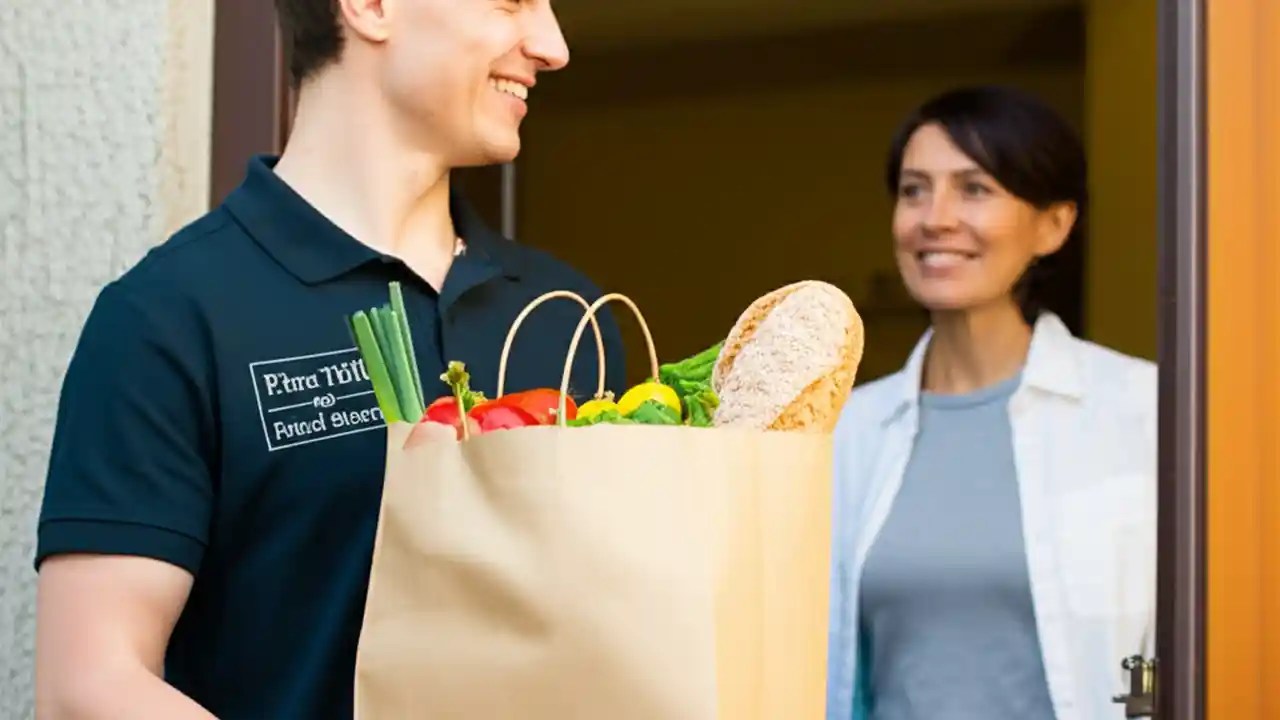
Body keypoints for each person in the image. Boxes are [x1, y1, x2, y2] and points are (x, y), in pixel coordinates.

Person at [33, 1, 626, 718]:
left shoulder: (570, 320)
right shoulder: (172, 315)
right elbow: (89, 686)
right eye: (510, 1)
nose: (551, 45)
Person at [824, 85, 1157, 720]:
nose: (935, 218)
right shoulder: (846, 431)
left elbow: (1173, 653)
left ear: (1054, 224)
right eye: (914, 189)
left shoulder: (1146, 410)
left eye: (974, 189)